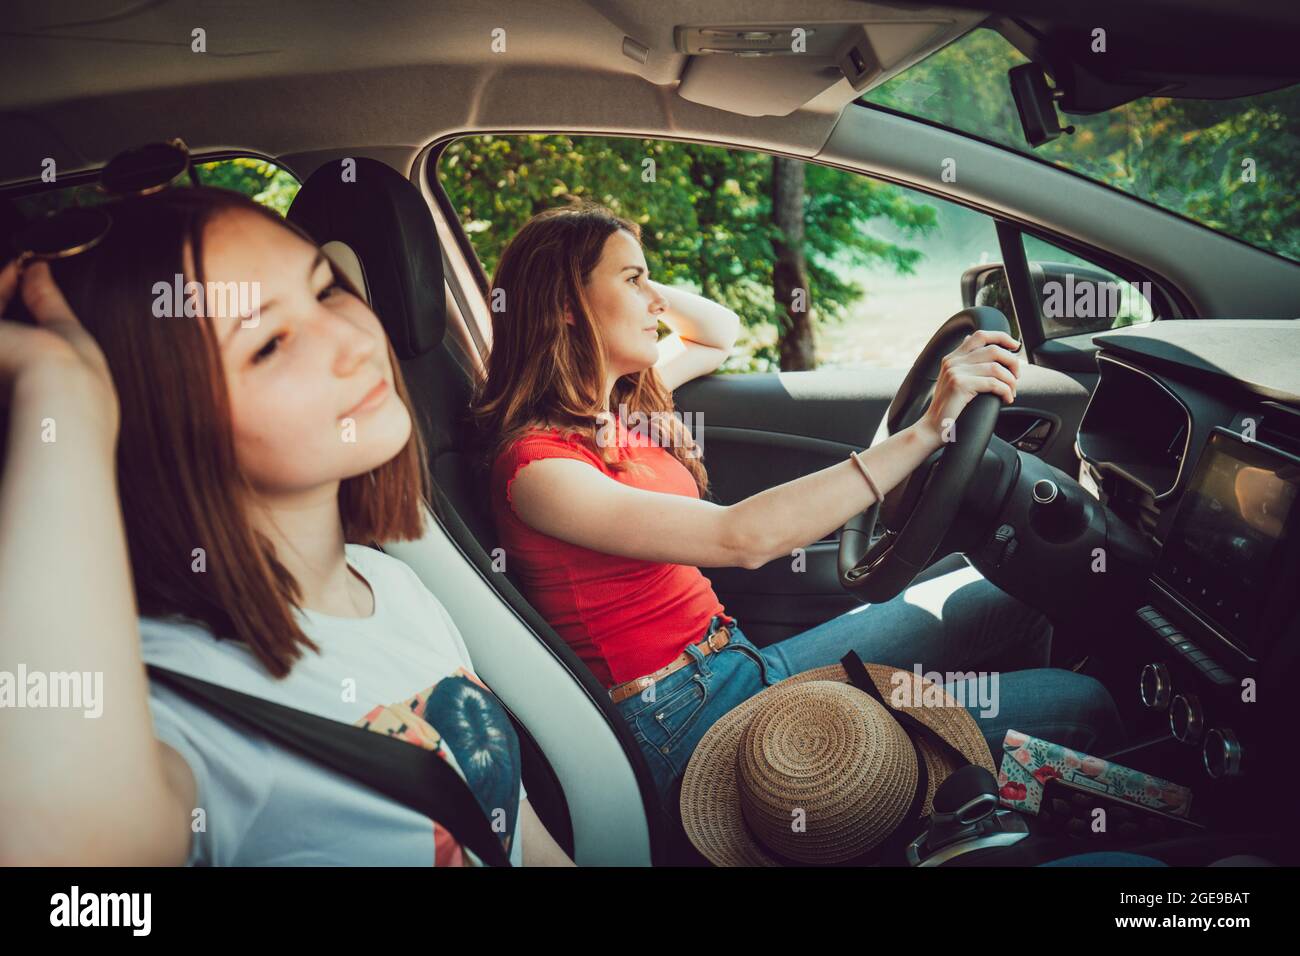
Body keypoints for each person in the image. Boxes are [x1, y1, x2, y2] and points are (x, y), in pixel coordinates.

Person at [472, 201, 1124, 809]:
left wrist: (626, 275)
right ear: (563, 302)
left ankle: (985, 787)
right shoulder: (540, 470)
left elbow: (715, 334)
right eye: (634, 281)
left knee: (1011, 593)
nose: (654, 301)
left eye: (651, 283)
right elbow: (741, 538)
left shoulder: (608, 412)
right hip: (687, 723)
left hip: (739, 663)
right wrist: (925, 432)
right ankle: (994, 784)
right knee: (1085, 703)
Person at [0, 180, 572, 865]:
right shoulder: (171, 710)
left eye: (326, 288)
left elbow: (514, 835)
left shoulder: (393, 587)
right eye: (269, 342)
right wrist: (61, 386)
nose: (355, 339)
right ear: (161, 425)